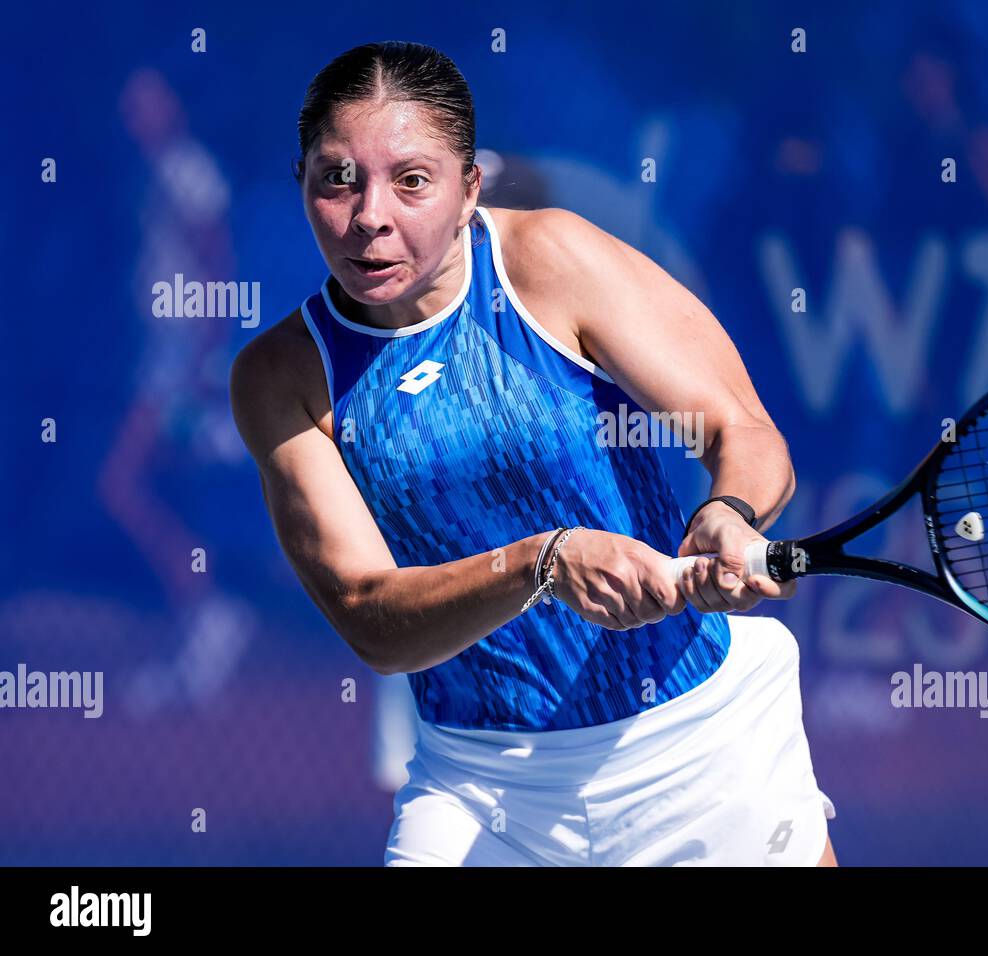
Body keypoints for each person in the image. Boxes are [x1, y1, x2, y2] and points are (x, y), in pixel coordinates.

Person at [230, 40, 836, 866]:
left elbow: (745, 434)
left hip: (698, 751)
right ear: (302, 182)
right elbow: (373, 620)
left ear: (470, 187)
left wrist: (729, 512)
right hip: (479, 786)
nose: (370, 213)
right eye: (338, 178)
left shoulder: (550, 260)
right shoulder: (281, 376)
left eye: (412, 180)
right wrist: (542, 564)